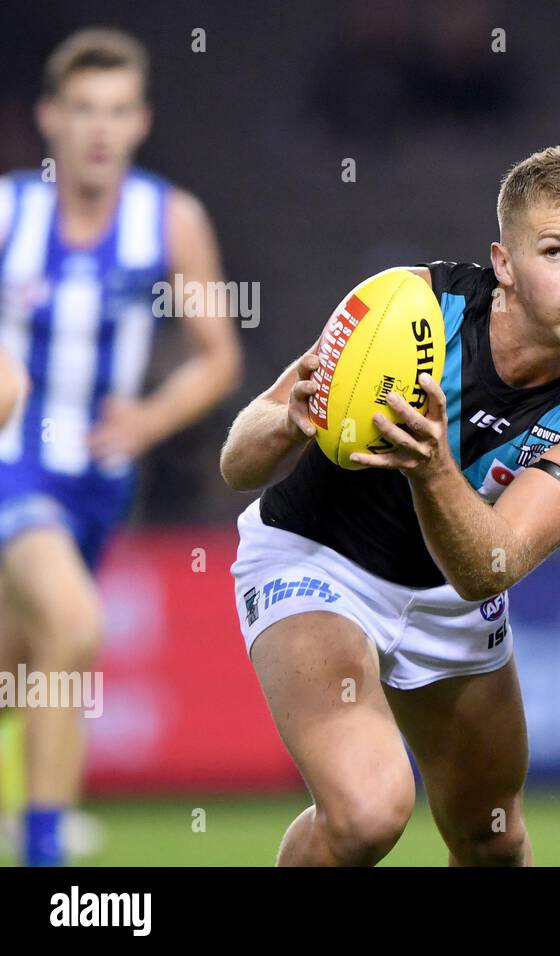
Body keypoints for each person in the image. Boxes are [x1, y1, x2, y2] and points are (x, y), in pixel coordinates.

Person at [220, 145, 560, 866]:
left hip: (453, 597)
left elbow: (491, 568)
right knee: (367, 813)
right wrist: (286, 421)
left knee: (493, 839)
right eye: (556, 251)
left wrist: (432, 470)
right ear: (505, 263)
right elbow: (238, 463)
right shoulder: (411, 305)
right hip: (318, 560)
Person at [0, 28, 242, 867]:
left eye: (115, 111)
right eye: (82, 111)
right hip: (10, 463)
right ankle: (44, 852)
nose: (98, 129)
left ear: (139, 121)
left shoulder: (169, 220)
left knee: (24, 666)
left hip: (99, 484)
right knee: (72, 624)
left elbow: (218, 358)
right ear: (50, 121)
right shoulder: (8, 211)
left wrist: (147, 420)